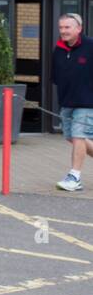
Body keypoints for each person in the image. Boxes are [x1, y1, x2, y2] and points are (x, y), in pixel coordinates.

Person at [53, 13, 92, 192]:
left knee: (78, 135)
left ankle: (74, 177)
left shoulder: (90, 46)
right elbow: (56, 76)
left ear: (79, 28)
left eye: (67, 27)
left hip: (87, 102)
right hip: (67, 101)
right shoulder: (59, 49)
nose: (63, 31)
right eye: (61, 27)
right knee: (74, 138)